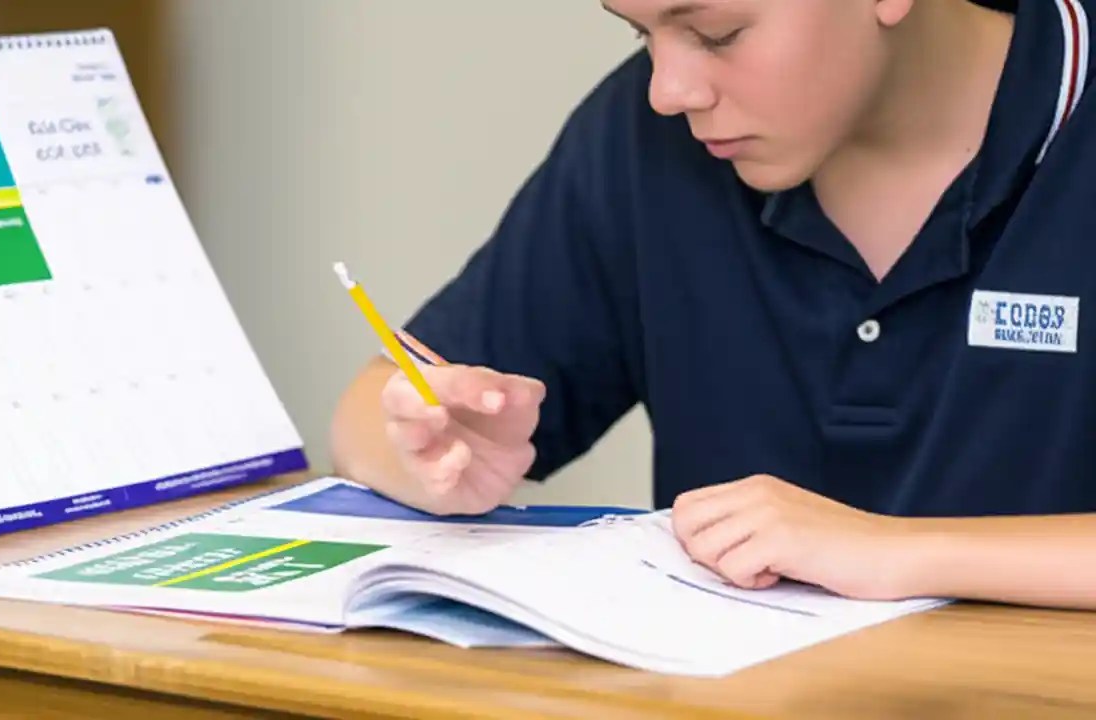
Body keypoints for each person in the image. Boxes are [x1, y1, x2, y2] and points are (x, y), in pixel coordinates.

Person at [329, 0, 1096, 611]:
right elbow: (367, 412)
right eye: (641, 32)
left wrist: (888, 551)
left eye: (715, 32)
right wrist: (429, 450)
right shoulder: (646, 141)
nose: (671, 90)